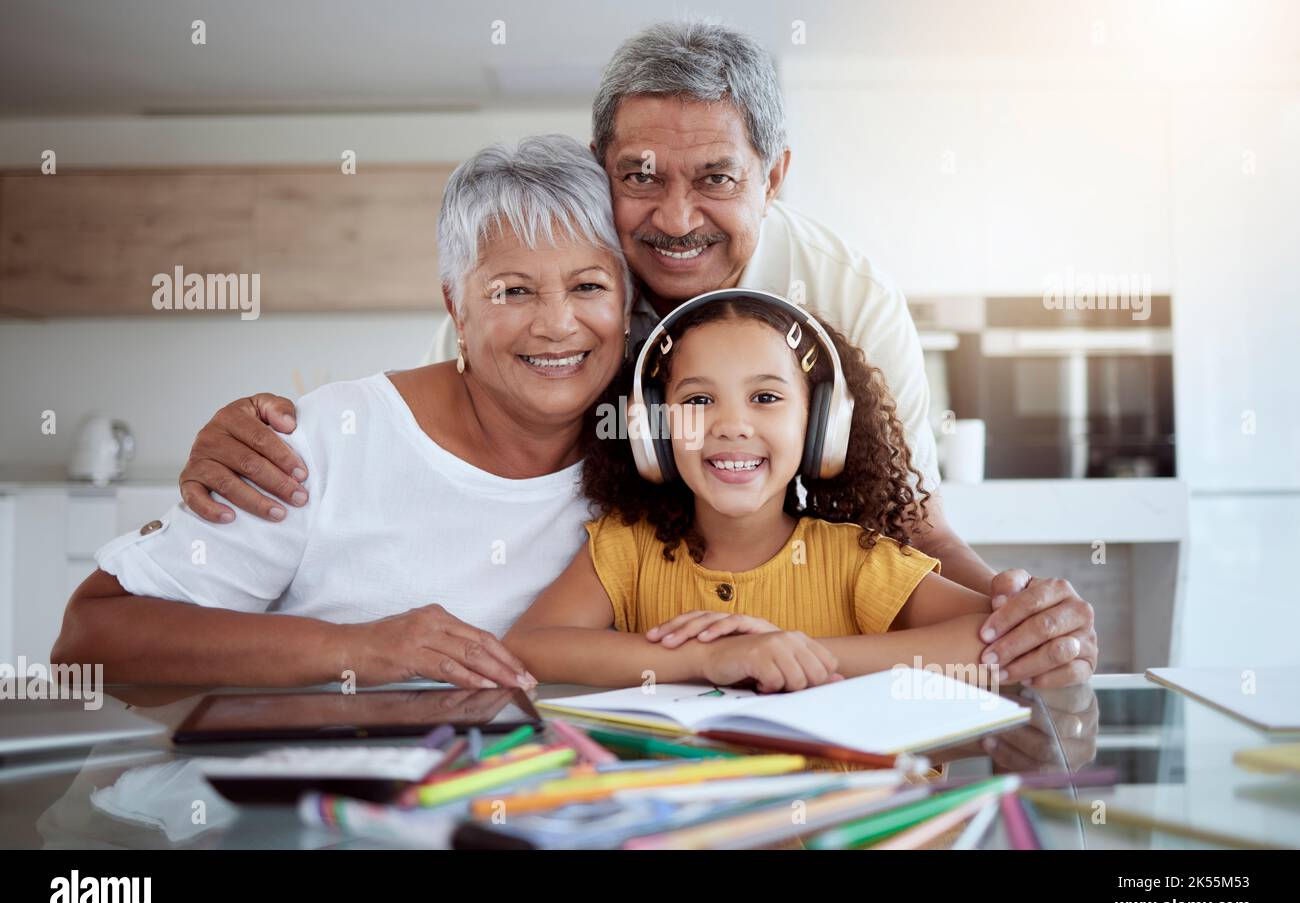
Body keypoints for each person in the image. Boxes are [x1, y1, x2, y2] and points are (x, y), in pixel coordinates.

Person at [168, 22, 1097, 689]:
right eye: (640, 176)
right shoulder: (543, 278)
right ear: (600, 167)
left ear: (773, 175)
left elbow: (911, 521)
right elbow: (452, 436)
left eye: (717, 178)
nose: (676, 217)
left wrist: (1020, 615)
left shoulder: (848, 294)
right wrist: (298, 437)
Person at [53, 135, 632, 689]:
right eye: (513, 291)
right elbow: (91, 637)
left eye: (588, 286)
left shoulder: (659, 454)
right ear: (457, 309)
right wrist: (353, 649)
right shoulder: (328, 441)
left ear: (627, 304)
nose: (557, 325)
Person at [505, 291, 993, 691]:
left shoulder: (858, 562)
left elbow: (991, 637)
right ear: (652, 428)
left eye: (765, 397)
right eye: (699, 399)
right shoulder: (628, 549)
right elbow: (530, 645)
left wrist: (794, 653)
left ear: (821, 424)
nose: (733, 425)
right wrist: (712, 657)